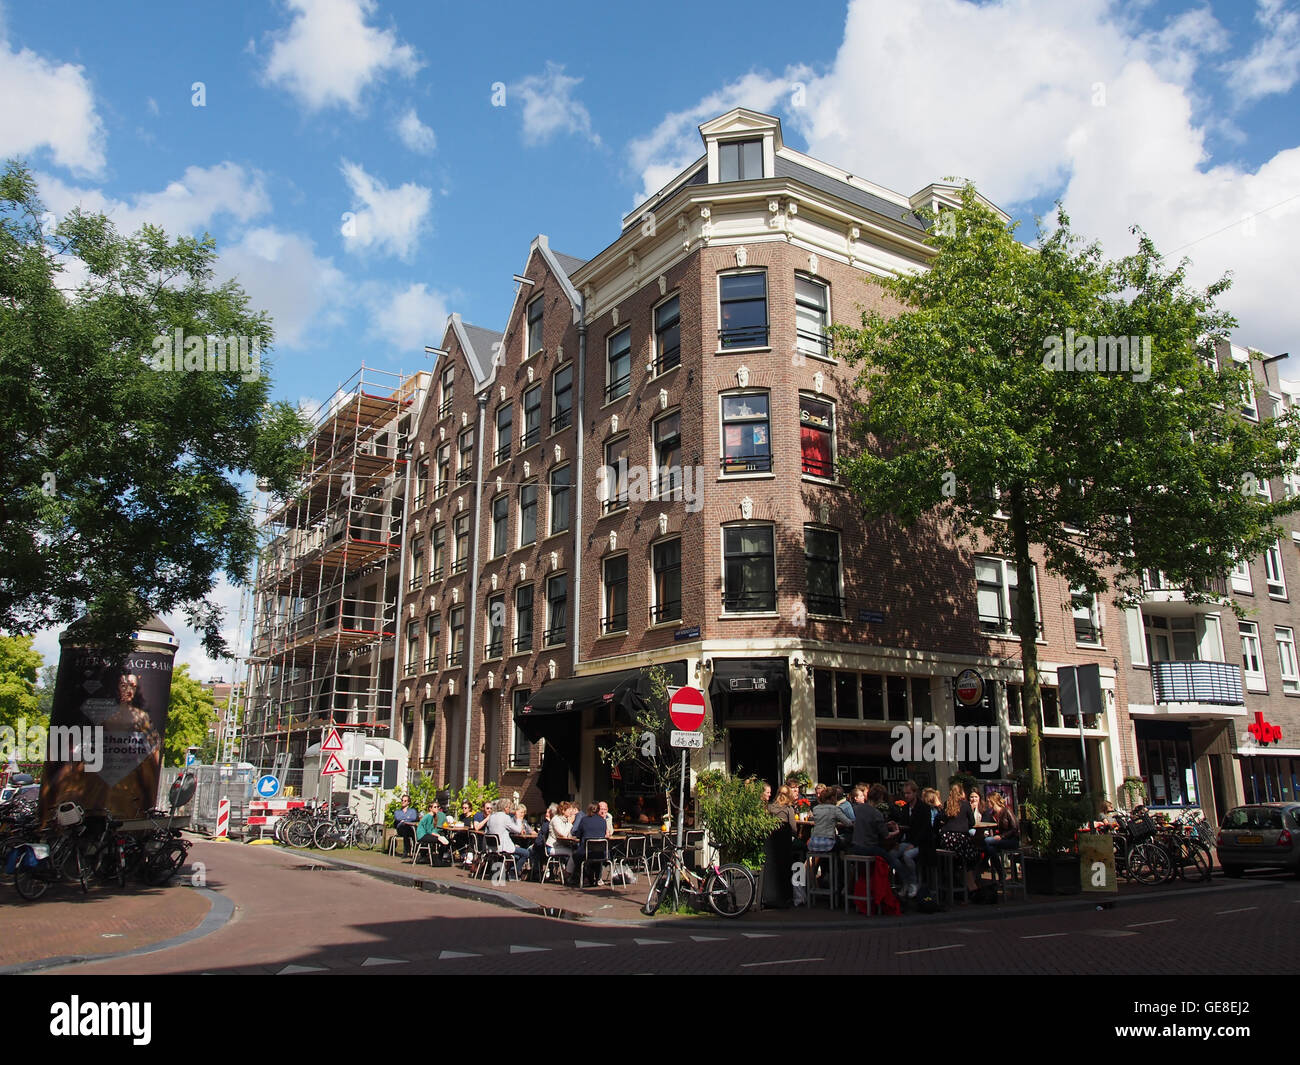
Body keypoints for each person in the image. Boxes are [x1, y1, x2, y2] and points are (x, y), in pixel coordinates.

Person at [849, 785, 912, 895]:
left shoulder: (857, 809)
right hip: (869, 847)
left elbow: (866, 823)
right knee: (891, 858)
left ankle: (850, 888)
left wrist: (883, 824)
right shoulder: (876, 813)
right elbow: (886, 835)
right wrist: (896, 831)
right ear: (880, 798)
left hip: (855, 846)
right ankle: (907, 882)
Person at [939, 783, 981, 896]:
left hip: (947, 839)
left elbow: (942, 819)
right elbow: (972, 823)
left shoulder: (947, 803)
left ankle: (960, 881)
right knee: (974, 855)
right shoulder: (966, 804)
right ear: (962, 793)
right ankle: (971, 885)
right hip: (960, 838)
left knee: (958, 859)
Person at [763, 784, 798, 908]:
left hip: (771, 842)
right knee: (785, 867)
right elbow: (794, 829)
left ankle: (769, 897)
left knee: (771, 868)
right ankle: (786, 897)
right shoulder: (789, 809)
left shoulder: (770, 807)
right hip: (784, 843)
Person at [483, 799, 532, 880]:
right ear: (505, 808)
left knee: (516, 855)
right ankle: (513, 874)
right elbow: (518, 830)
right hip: (503, 847)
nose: (509, 810)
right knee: (526, 853)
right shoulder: (505, 817)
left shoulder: (492, 817)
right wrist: (519, 819)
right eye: (509, 807)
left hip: (492, 847)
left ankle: (507, 872)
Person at [981, 791, 1020, 882]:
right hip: (1002, 840)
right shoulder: (993, 814)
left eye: (988, 801)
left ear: (993, 801)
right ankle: (1001, 873)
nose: (987, 803)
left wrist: (1001, 836)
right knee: (990, 849)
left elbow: (1015, 828)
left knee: (987, 841)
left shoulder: (1006, 811)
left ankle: (983, 864)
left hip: (1011, 840)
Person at [572, 802, 609, 886]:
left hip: (586, 852)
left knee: (575, 855)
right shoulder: (603, 821)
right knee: (596, 857)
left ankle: (585, 876)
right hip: (601, 853)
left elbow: (578, 835)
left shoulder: (584, 820)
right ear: (598, 810)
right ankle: (597, 878)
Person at [547, 800, 578, 878]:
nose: (571, 812)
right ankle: (566, 874)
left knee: (576, 851)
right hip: (552, 847)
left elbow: (567, 834)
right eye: (569, 810)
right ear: (563, 811)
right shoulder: (556, 820)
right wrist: (570, 823)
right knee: (573, 854)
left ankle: (570, 874)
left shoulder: (564, 820)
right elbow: (562, 834)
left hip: (560, 846)